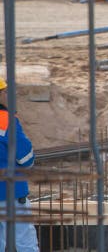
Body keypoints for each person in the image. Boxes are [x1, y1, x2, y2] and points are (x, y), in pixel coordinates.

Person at [0, 78, 39, 252]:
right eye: (6, 92)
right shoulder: (5, 120)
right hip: (10, 193)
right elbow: (26, 159)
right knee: (25, 243)